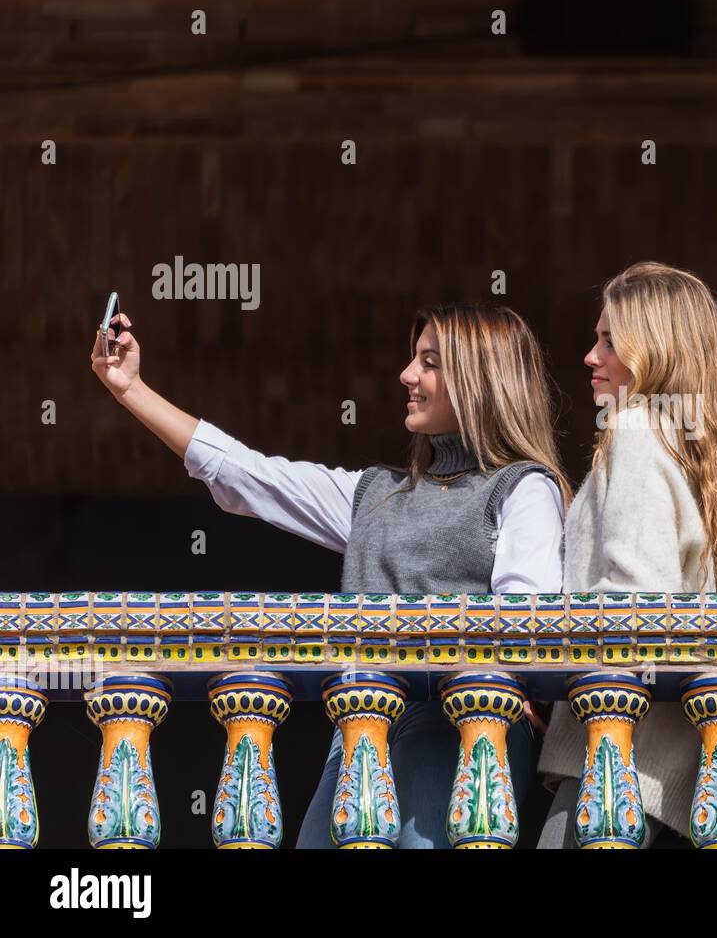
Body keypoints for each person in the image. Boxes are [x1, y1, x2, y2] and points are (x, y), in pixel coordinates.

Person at [90, 302, 569, 848]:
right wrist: (130, 389)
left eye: (429, 362)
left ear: (482, 380)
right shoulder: (376, 493)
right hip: (361, 732)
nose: (406, 375)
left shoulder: (524, 488)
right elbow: (251, 476)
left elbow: (525, 624)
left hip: (458, 729)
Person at [536, 261, 717, 847]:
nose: (591, 357)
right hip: (656, 769)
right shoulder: (685, 445)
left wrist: (537, 665)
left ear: (655, 351)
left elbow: (632, 602)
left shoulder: (636, 432)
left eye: (610, 341)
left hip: (611, 762)